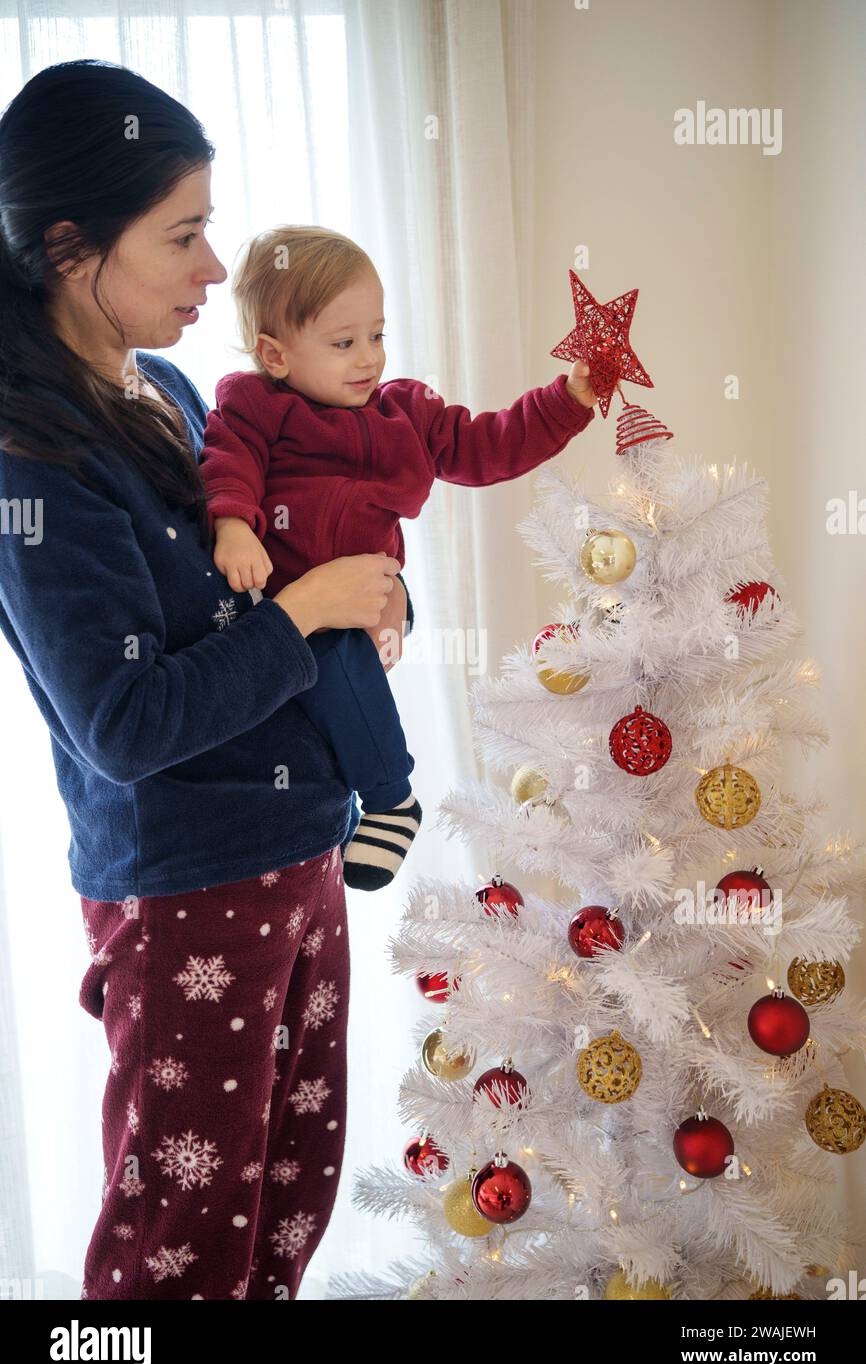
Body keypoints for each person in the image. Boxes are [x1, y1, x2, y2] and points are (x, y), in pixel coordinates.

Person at [0, 58, 406, 1301]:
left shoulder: (171, 392)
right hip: (187, 889)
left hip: (299, 845)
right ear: (73, 246)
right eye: (182, 234)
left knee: (286, 1201)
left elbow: (280, 560)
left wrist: (367, 597)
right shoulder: (32, 461)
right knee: (177, 1241)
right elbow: (125, 724)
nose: (216, 267)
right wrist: (304, 613)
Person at [200, 226, 598, 889]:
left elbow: (488, 445)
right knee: (328, 674)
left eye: (377, 336)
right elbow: (227, 460)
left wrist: (566, 402)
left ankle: (390, 801)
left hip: (372, 594)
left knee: (342, 664)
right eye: (344, 343)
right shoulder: (257, 407)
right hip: (297, 608)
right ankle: (379, 793)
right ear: (274, 353)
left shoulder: (405, 414)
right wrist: (234, 524)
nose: (368, 359)